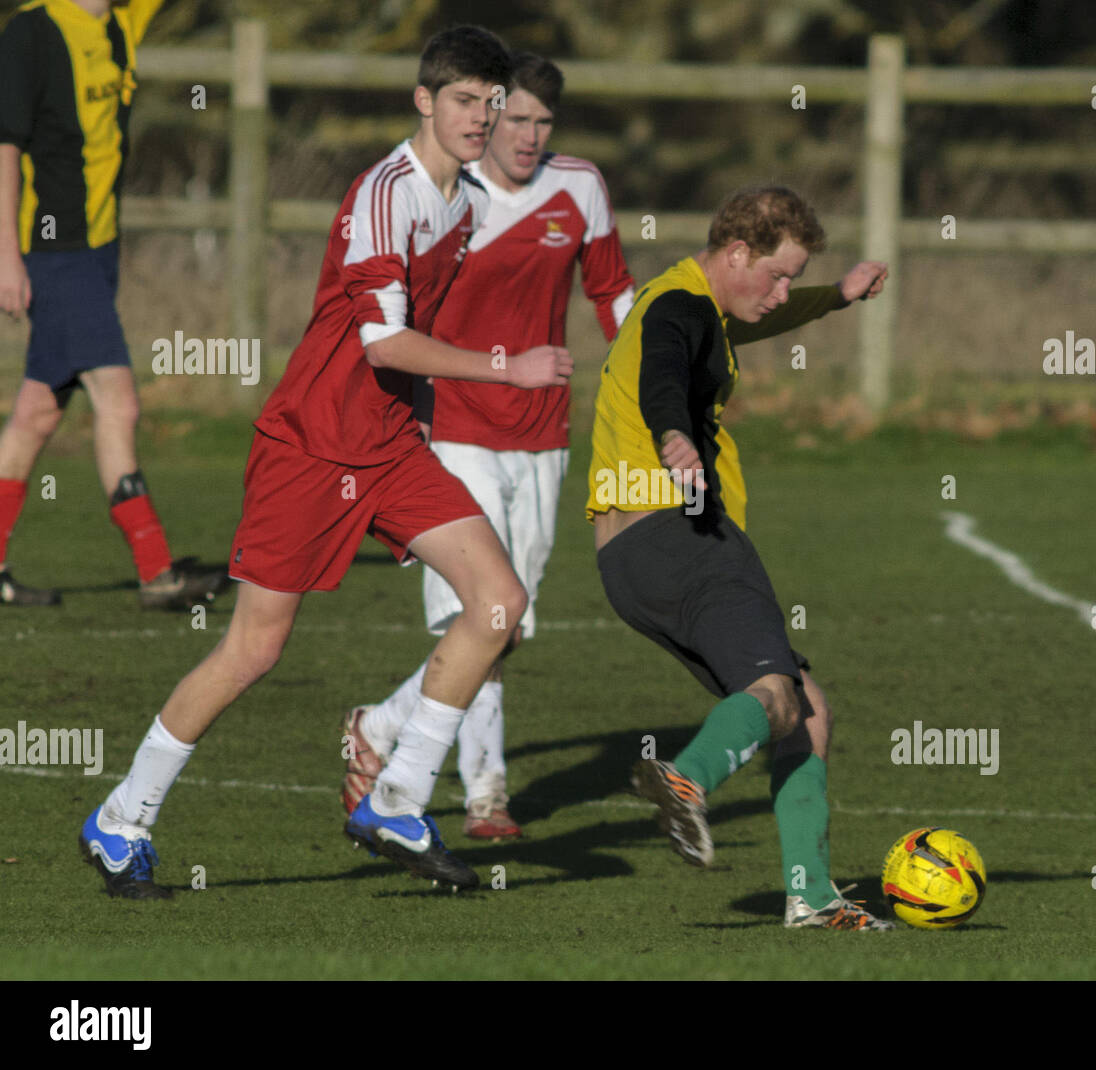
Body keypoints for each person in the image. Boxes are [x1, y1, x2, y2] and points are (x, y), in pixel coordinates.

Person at [78, 25, 573, 899]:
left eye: (493, 105)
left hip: (388, 449)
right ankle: (121, 820)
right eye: (465, 100)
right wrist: (506, 365)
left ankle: (398, 796)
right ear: (424, 99)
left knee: (499, 603)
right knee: (252, 652)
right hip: (312, 446)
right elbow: (384, 342)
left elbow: (410, 341)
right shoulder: (387, 193)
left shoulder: (465, 204)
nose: (482, 119)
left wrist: (419, 430)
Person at [342, 52, 635, 841]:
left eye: (544, 121)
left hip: (542, 436)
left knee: (509, 619)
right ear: (484, 119)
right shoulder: (447, 195)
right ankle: (485, 796)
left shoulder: (580, 188)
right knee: (485, 614)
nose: (529, 135)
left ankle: (380, 724)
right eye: (515, 118)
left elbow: (613, 291)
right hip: (452, 428)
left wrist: (651, 380)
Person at [586, 185, 893, 930]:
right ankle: (688, 780)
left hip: (628, 560)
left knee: (806, 709)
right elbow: (665, 370)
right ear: (735, 254)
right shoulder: (680, 312)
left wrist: (833, 298)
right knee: (780, 697)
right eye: (777, 273)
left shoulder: (688, 301)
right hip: (686, 535)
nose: (781, 289)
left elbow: (746, 318)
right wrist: (674, 432)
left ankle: (810, 894)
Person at [0, 0, 228, 611]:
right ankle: (156, 571)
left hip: (98, 252)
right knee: (119, 402)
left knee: (36, 417)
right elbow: (4, 149)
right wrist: (5, 255)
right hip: (52, 249)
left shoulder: (122, 21)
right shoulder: (33, 31)